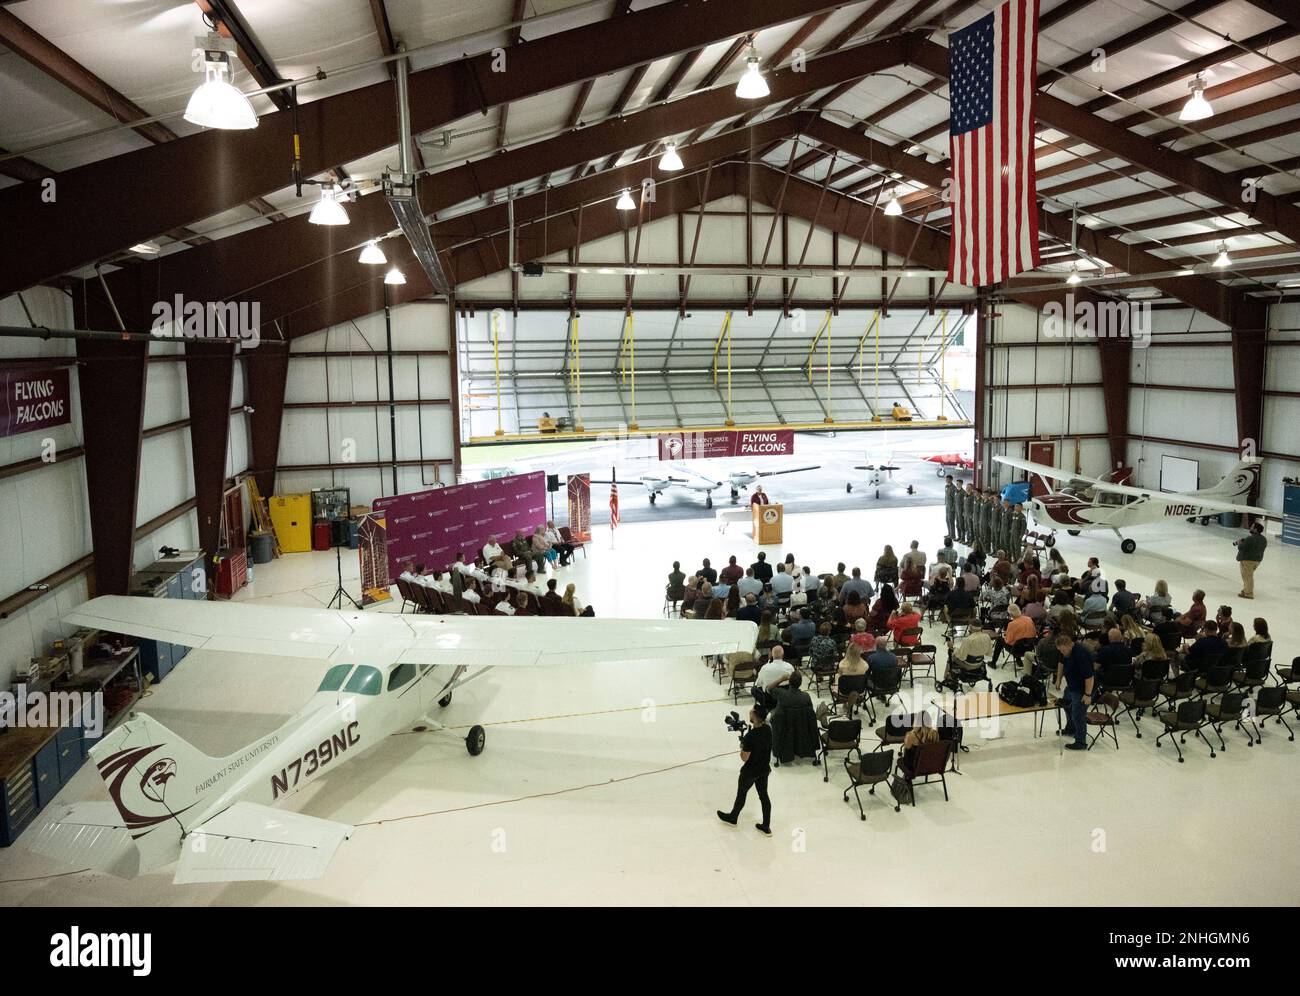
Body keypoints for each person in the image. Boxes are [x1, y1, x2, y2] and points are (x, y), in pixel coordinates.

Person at [716, 704, 772, 836]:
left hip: (750, 772)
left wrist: (743, 745)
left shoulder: (750, 736)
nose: (750, 713)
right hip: (764, 769)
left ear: (755, 716)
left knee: (741, 794)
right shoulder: (767, 729)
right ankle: (766, 826)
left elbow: (744, 758)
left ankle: (733, 817)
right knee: (764, 797)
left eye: (752, 711)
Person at [1055, 633, 1094, 750]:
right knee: (1067, 706)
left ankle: (1081, 741)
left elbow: (1089, 677)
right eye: (1060, 651)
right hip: (1071, 686)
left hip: (1082, 689)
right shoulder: (1066, 651)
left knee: (1078, 714)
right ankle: (1070, 729)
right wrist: (1058, 679)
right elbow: (1061, 663)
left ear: (1069, 645)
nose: (1062, 653)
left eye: (1063, 650)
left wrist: (1087, 695)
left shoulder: (1081, 654)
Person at [991, 602, 1037, 668]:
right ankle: (1018, 660)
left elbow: (1008, 641)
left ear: (1010, 614)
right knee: (1018, 641)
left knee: (1000, 640)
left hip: (1017, 650)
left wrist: (1006, 634)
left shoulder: (1012, 624)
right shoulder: (1029, 619)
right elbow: (1034, 634)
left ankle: (993, 662)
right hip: (1029, 647)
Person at [1235, 521, 1267, 599]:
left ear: (1255, 529)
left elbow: (1241, 548)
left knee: (1247, 577)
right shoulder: (1263, 539)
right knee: (1248, 576)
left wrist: (1239, 543)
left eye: (1252, 527)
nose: (1250, 528)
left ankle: (1248, 593)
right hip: (1257, 560)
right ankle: (1245, 590)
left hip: (1247, 560)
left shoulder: (1250, 538)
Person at [836, 641, 868, 716]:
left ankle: (846, 704)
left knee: (839, 678)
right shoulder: (865, 665)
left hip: (843, 691)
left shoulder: (842, 664)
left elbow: (839, 677)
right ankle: (853, 702)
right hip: (859, 690)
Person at [944, 476, 959, 543]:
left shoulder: (953, 488)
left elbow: (955, 499)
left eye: (948, 479)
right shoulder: (946, 486)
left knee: (951, 521)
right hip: (947, 506)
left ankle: (953, 535)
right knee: (947, 520)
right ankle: (949, 533)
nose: (946, 480)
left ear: (951, 480)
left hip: (951, 508)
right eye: (946, 479)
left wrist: (953, 508)